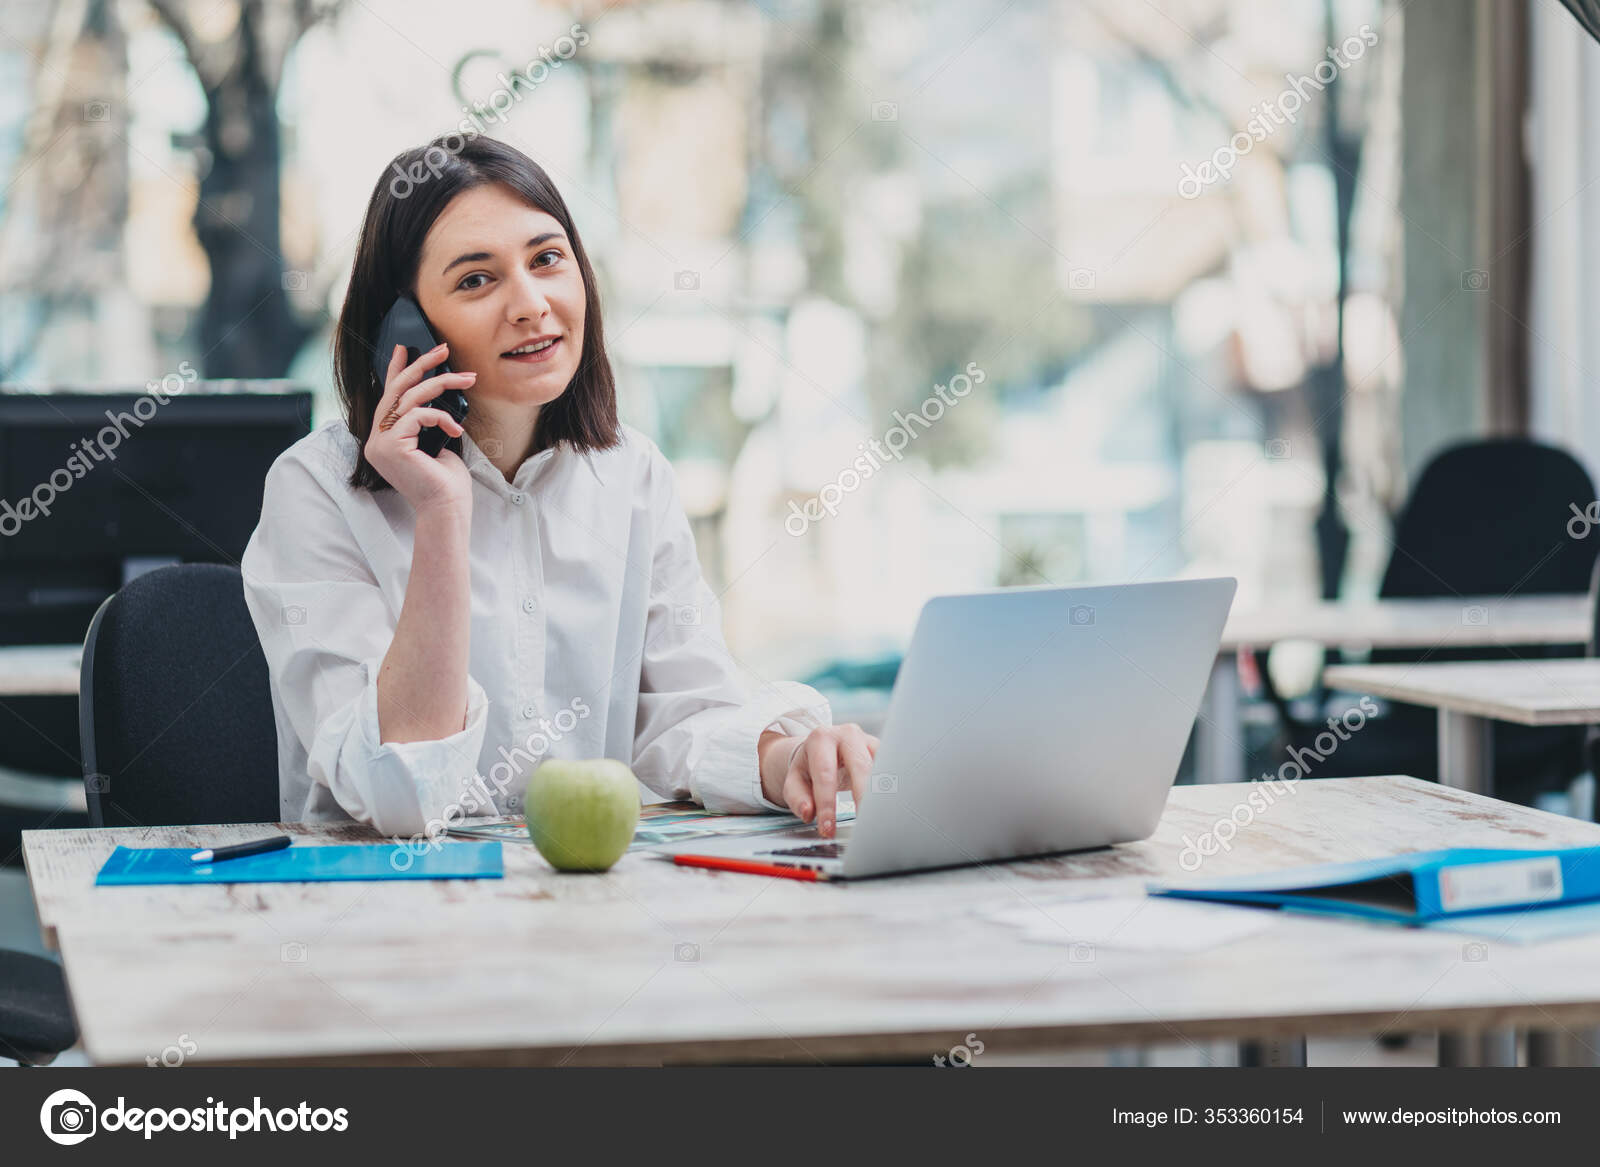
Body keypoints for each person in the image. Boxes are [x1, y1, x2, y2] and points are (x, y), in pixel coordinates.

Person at [241, 134, 877, 842]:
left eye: (547, 260)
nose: (531, 304)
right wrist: (440, 511)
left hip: (582, 907)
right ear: (405, 329)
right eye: (476, 280)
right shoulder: (315, 491)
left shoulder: (633, 476)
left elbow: (688, 709)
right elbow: (401, 790)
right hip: (381, 916)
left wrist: (784, 758)